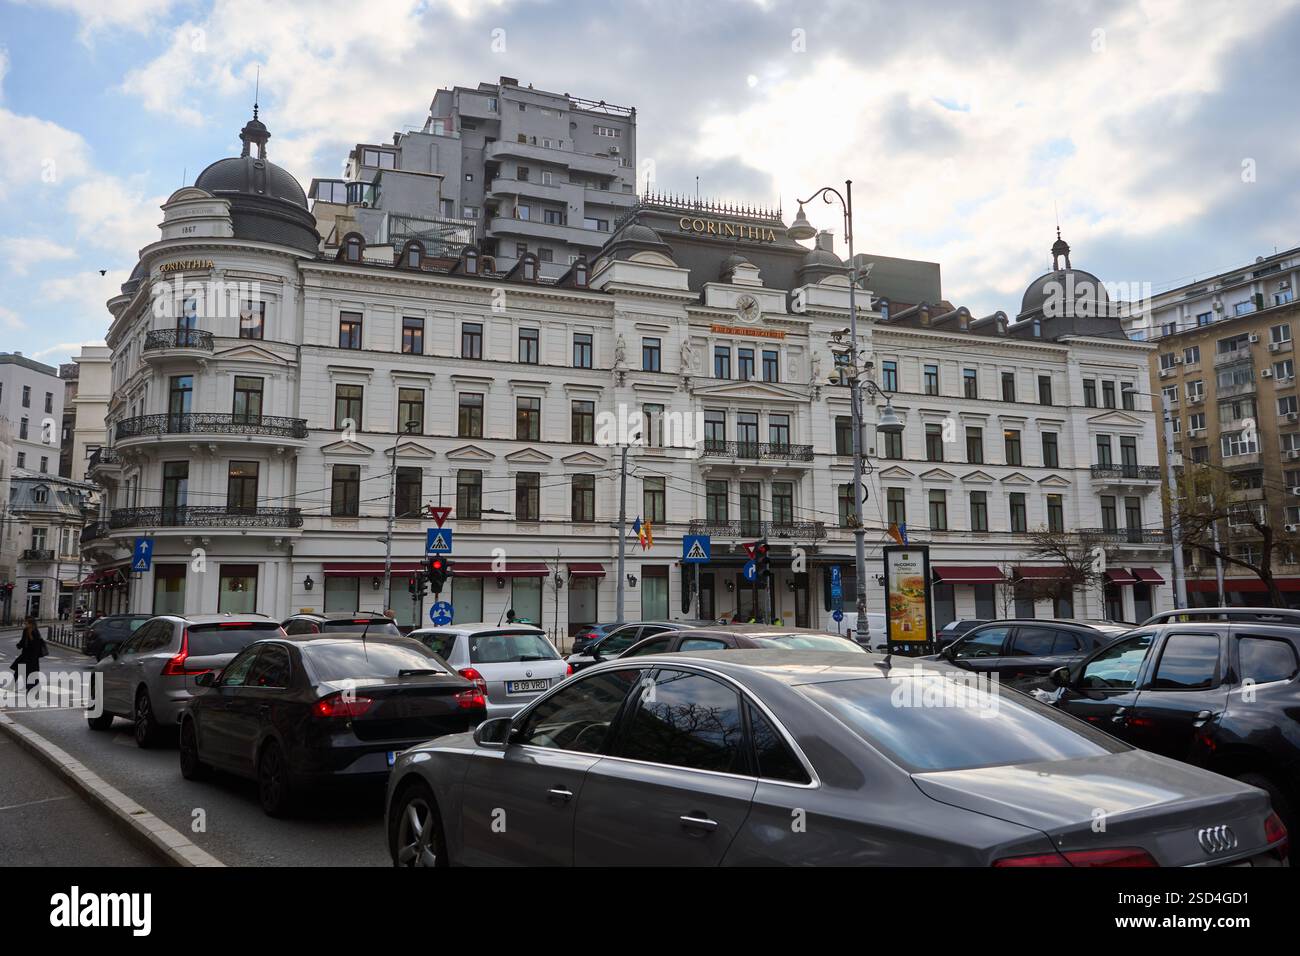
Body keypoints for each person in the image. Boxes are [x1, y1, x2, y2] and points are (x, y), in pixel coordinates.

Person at [11, 616, 47, 691]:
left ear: (30, 624)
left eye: (26, 622)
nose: (24, 623)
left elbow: (34, 644)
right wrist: (19, 645)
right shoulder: (28, 630)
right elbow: (23, 641)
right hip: (27, 654)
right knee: (20, 668)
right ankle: (13, 684)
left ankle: (32, 686)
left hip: (31, 656)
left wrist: (21, 644)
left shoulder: (34, 632)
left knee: (29, 671)